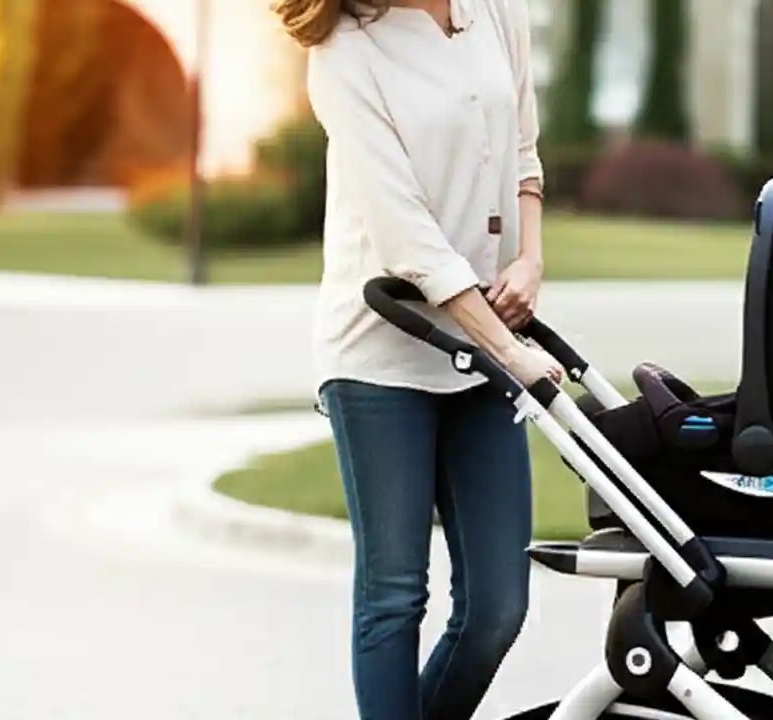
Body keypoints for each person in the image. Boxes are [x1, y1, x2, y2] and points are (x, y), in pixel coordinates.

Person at [273, 0, 564, 717]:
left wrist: (529, 259)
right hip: (380, 355)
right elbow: (408, 240)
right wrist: (509, 353)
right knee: (394, 594)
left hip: (485, 349)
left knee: (497, 607)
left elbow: (524, 148)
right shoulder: (344, 54)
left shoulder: (495, 9)